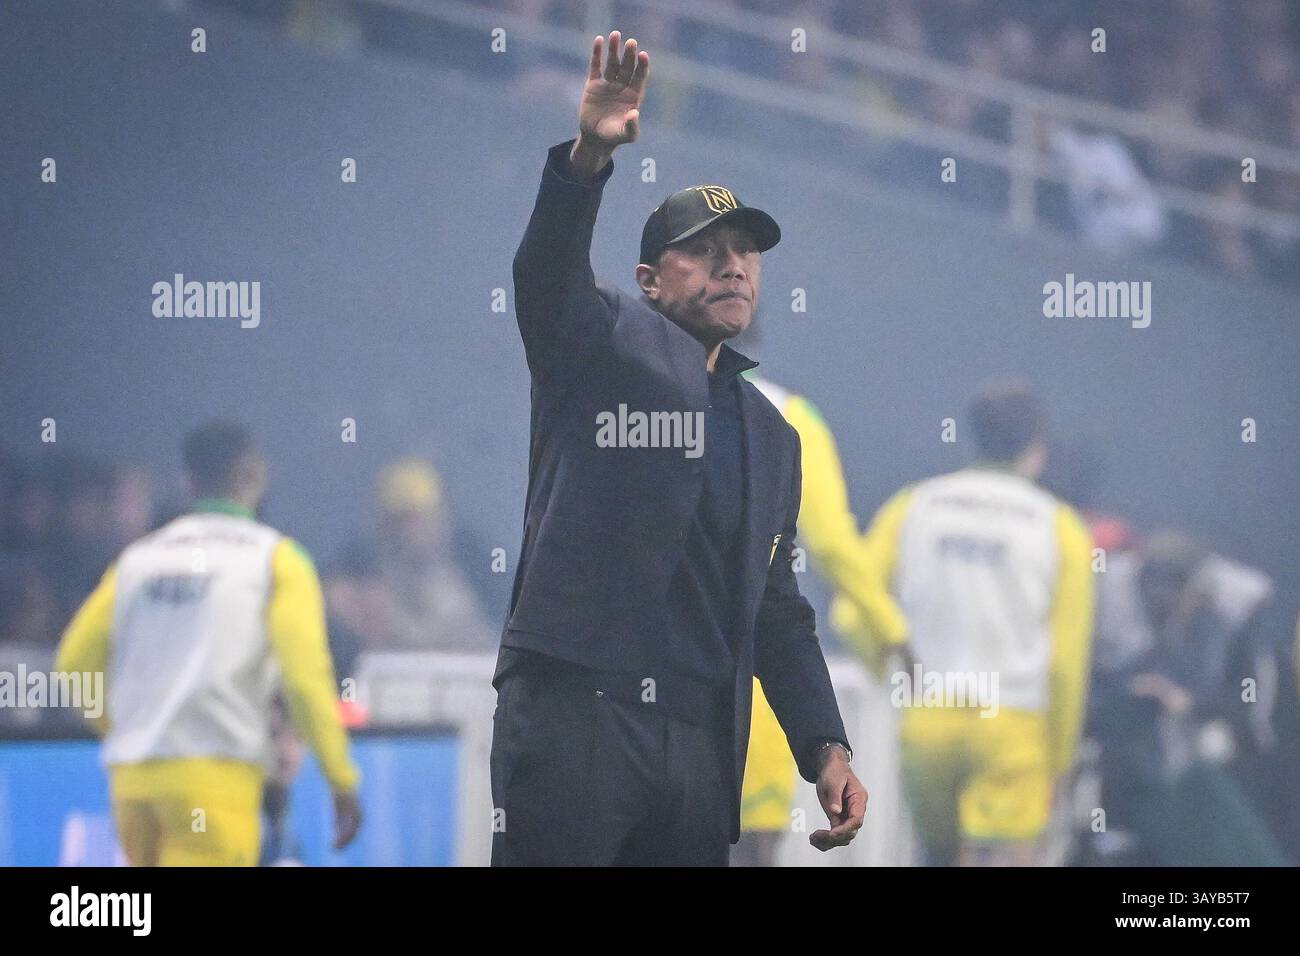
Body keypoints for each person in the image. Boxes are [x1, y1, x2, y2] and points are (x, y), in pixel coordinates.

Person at [490, 31, 864, 866]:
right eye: (704, 251)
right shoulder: (600, 341)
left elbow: (777, 608)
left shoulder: (773, 435)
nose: (732, 268)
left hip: (700, 743)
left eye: (746, 255)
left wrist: (826, 747)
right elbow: (545, 274)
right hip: (577, 713)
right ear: (650, 278)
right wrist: (587, 157)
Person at [55, 420, 362, 866]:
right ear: (254, 474)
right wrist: (341, 778)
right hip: (216, 782)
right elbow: (305, 678)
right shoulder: (276, 560)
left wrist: (128, 726)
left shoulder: (139, 560)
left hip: (134, 784)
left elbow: (73, 662)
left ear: (188, 480)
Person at [833, 383, 1094, 865]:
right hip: (1014, 725)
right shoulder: (1061, 528)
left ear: (972, 438)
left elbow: (852, 608)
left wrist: (883, 664)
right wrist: (1059, 758)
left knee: (937, 856)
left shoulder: (914, 506)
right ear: (1037, 449)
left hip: (930, 717)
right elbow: (1065, 661)